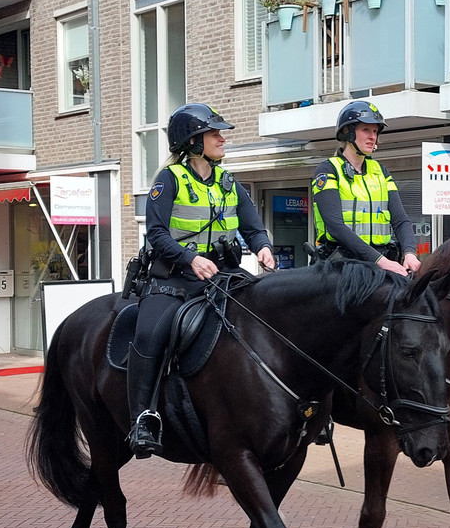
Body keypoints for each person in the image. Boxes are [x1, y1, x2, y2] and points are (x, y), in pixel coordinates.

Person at [127, 103, 278, 458]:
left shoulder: (229, 182)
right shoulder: (169, 179)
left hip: (224, 276)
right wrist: (189, 258)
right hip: (175, 279)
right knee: (150, 332)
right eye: (214, 134)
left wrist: (264, 247)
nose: (222, 139)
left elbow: (253, 227)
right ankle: (142, 419)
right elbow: (156, 234)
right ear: (193, 141)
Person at [310, 101, 421, 276]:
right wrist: (382, 262)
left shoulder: (381, 172)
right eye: (366, 130)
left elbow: (400, 220)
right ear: (347, 132)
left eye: (375, 131)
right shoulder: (328, 170)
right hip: (340, 268)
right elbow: (335, 226)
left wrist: (409, 253)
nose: (372, 136)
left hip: (380, 265)